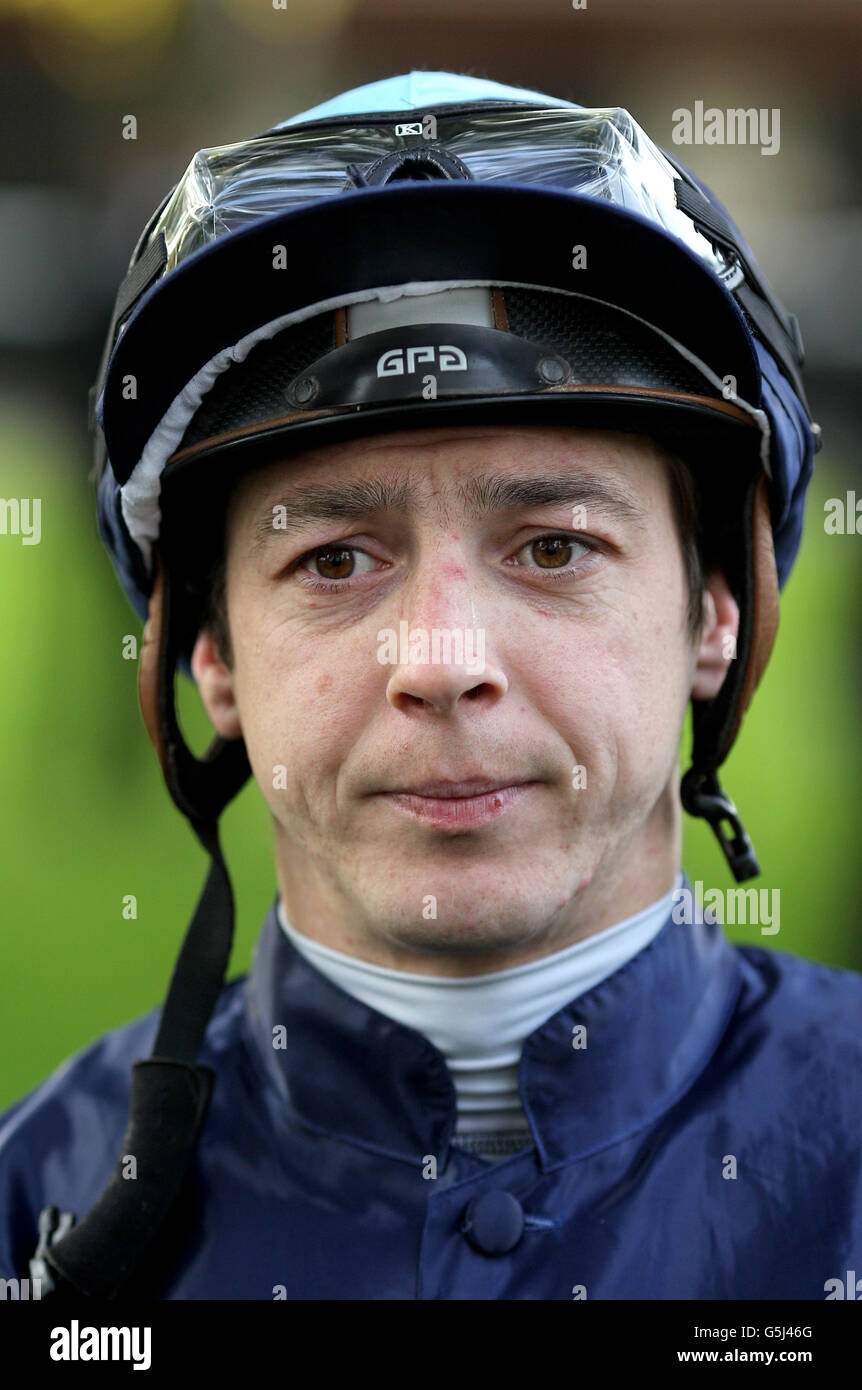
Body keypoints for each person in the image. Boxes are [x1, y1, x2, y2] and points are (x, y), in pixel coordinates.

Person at [1, 70, 859, 1302]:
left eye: (553, 546)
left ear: (714, 615)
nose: (442, 661)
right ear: (214, 658)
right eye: (334, 558)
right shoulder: (33, 1208)